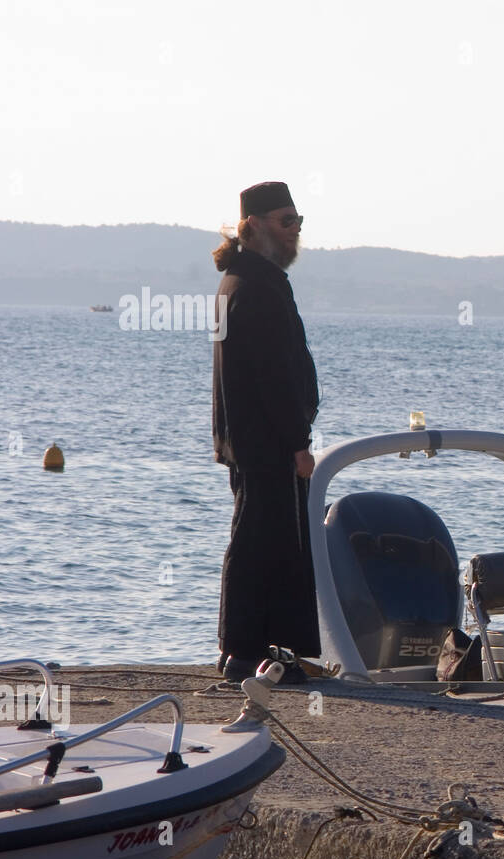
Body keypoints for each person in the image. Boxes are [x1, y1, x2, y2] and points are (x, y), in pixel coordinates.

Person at [211, 181, 320, 682]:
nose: (294, 230)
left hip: (255, 440)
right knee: (260, 544)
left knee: (271, 542)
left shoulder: (246, 279)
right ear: (253, 224)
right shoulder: (253, 284)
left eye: (298, 221)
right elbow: (273, 374)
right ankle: (244, 653)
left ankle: (264, 653)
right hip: (267, 443)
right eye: (285, 221)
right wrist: (298, 442)